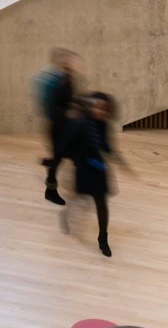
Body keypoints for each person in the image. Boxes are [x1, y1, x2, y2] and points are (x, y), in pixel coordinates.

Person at [61, 91, 128, 257]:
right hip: (83, 168)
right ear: (91, 107)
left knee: (101, 203)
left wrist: (120, 161)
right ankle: (67, 214)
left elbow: (106, 146)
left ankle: (103, 238)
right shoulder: (81, 123)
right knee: (80, 199)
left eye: (104, 109)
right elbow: (68, 145)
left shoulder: (103, 124)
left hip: (98, 170)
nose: (100, 112)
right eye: (97, 108)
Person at [33, 47, 80, 205]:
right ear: (64, 63)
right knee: (60, 159)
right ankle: (50, 191)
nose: (75, 64)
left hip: (64, 127)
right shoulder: (61, 82)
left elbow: (67, 102)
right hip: (59, 128)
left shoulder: (67, 79)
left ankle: (61, 183)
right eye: (72, 61)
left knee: (68, 157)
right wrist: (69, 112)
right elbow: (55, 108)